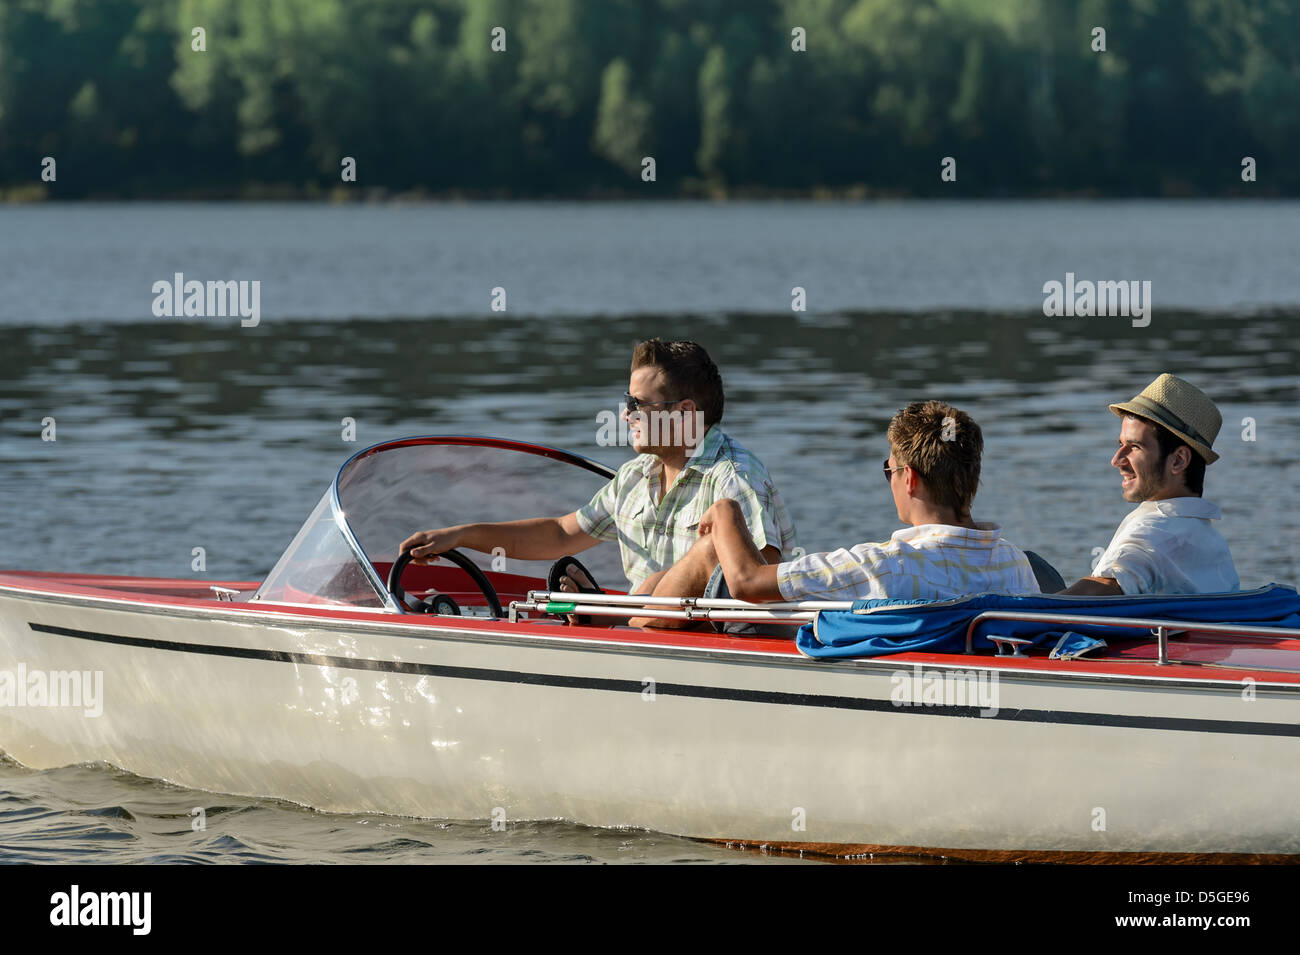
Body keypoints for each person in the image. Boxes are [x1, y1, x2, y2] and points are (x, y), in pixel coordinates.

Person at [399, 339, 798, 620]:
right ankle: (610, 615)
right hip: (648, 640)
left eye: (638, 404)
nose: (626, 415)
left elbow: (764, 581)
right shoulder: (634, 477)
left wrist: (648, 596)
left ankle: (608, 616)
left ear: (685, 411)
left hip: (708, 646)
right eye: (627, 403)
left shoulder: (734, 476)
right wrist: (460, 536)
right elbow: (558, 534)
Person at [659, 400, 1037, 607]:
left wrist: (726, 510)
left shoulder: (882, 566)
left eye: (888, 470)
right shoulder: (1015, 563)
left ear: (910, 479)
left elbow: (746, 582)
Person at [1060, 374, 1239, 596]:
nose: (1116, 460)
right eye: (1120, 445)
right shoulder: (1211, 540)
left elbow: (1110, 585)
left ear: (1178, 460)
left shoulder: (1154, 532)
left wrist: (1025, 611)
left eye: (1134, 447)